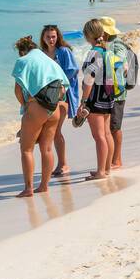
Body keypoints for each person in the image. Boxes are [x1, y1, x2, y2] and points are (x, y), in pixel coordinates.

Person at [11, 36, 68, 197]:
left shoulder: (23, 61)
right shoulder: (49, 60)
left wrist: (26, 105)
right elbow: (63, 90)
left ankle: (28, 188)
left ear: (22, 51)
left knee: (26, 149)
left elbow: (17, 90)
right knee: (47, 148)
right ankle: (44, 186)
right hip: (54, 108)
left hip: (36, 108)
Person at [76, 19, 117, 180]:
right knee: (106, 134)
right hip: (108, 95)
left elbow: (89, 79)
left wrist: (83, 101)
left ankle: (101, 171)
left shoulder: (93, 52)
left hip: (96, 97)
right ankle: (106, 169)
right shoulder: (107, 51)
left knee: (99, 136)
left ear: (88, 35)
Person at [40, 24, 79, 178]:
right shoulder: (41, 54)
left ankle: (63, 164)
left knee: (55, 130)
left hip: (62, 95)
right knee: (49, 131)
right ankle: (55, 164)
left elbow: (73, 70)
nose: (51, 39)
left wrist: (61, 85)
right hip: (46, 96)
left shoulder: (64, 51)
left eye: (54, 36)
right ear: (43, 38)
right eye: (48, 37)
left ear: (58, 37)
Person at [99, 17, 138, 169]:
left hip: (117, 92)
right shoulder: (108, 44)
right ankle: (112, 159)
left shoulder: (117, 45)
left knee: (115, 127)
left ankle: (117, 160)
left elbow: (120, 64)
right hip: (110, 91)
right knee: (110, 127)